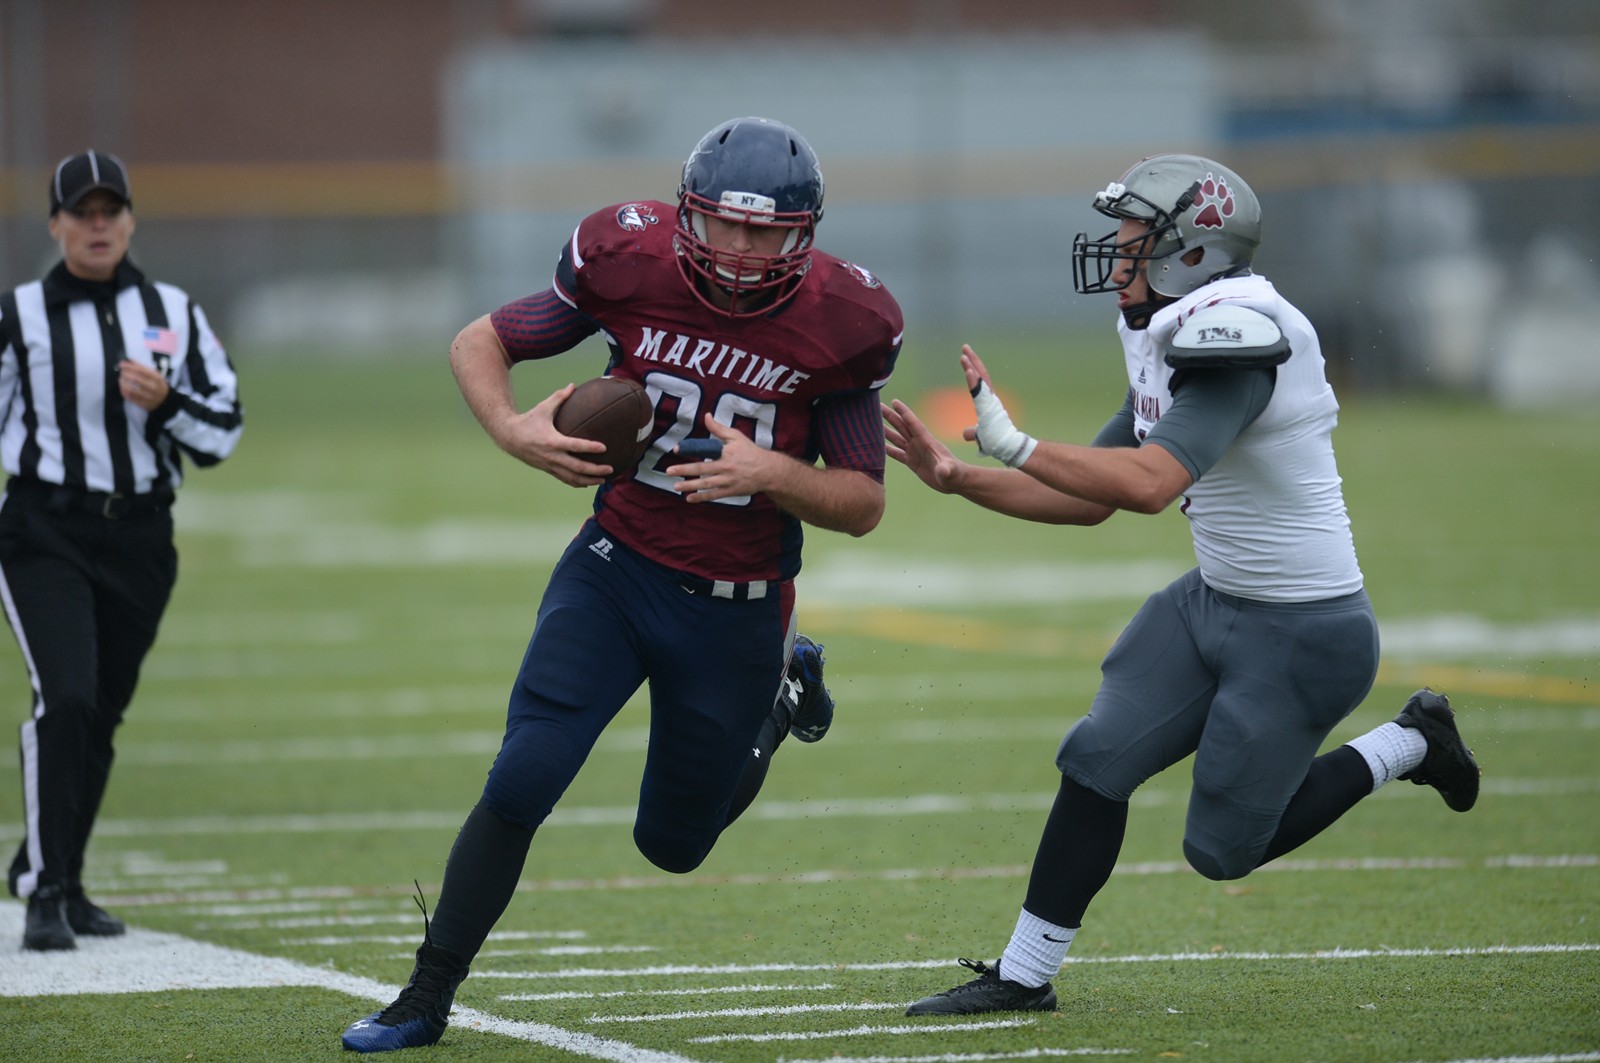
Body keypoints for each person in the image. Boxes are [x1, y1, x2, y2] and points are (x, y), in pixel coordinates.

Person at [340, 116, 902, 1052]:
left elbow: (863, 501)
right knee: (523, 773)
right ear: (689, 214)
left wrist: (772, 473)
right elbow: (481, 341)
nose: (741, 248)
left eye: (764, 232)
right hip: (616, 568)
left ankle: (777, 701)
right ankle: (426, 994)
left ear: (803, 236)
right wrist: (512, 429)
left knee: (672, 844)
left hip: (738, 604)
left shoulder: (844, 320)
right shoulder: (627, 259)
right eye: (724, 223)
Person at [883, 153, 1479, 1015]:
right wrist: (958, 477)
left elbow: (1152, 483)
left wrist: (1016, 445)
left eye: (1135, 246)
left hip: (1304, 631)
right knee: (1095, 759)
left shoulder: (1238, 336)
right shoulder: (1170, 325)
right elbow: (1091, 496)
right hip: (1211, 603)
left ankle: (1412, 741)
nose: (1116, 262)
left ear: (1194, 253)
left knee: (1223, 850)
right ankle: (1023, 974)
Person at [0, 150, 245, 951]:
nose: (98, 225)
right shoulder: (19, 315)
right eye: (83, 212)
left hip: (140, 536)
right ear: (56, 224)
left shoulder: (174, 310)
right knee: (66, 697)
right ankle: (45, 890)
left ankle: (62, 875)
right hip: (44, 530)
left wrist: (166, 402)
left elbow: (224, 431)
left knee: (100, 712)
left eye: (111, 211)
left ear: (132, 220)